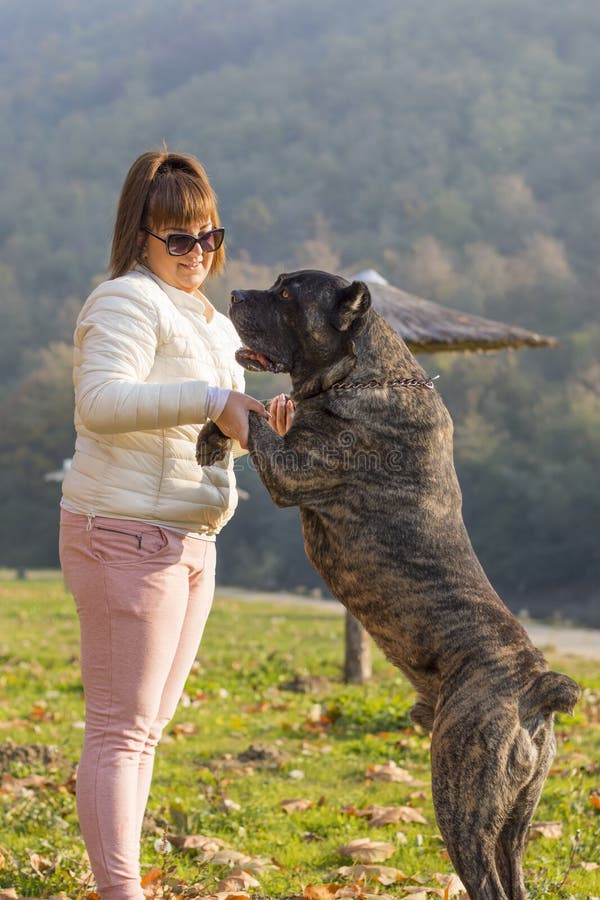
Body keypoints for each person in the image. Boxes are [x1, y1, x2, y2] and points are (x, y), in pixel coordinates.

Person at [59, 150, 294, 900]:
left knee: (141, 731)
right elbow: (99, 402)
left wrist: (268, 421)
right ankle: (119, 891)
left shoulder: (213, 322)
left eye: (208, 237)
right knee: (121, 734)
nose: (199, 254)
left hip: (192, 537)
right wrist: (209, 397)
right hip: (124, 532)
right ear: (141, 238)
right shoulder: (125, 302)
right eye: (179, 238)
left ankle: (112, 859)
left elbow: (222, 424)